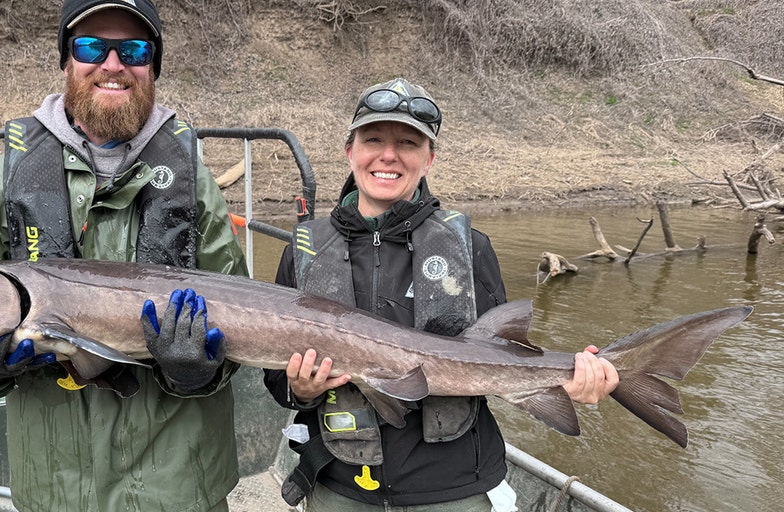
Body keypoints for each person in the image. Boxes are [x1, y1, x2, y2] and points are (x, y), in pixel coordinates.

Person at [0, 1, 248, 511]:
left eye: (135, 49)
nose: (113, 64)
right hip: (55, 490)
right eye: (92, 46)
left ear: (152, 66)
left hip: (181, 488)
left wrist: (200, 370)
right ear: (67, 61)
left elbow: (243, 323)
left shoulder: (192, 182)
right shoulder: (1, 181)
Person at [263, 77, 619, 511]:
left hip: (454, 488)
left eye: (408, 143)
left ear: (428, 158)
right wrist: (300, 390)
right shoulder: (303, 250)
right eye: (373, 138)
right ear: (350, 151)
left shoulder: (470, 247)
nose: (388, 155)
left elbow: (506, 354)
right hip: (338, 482)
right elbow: (276, 382)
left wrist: (573, 380)